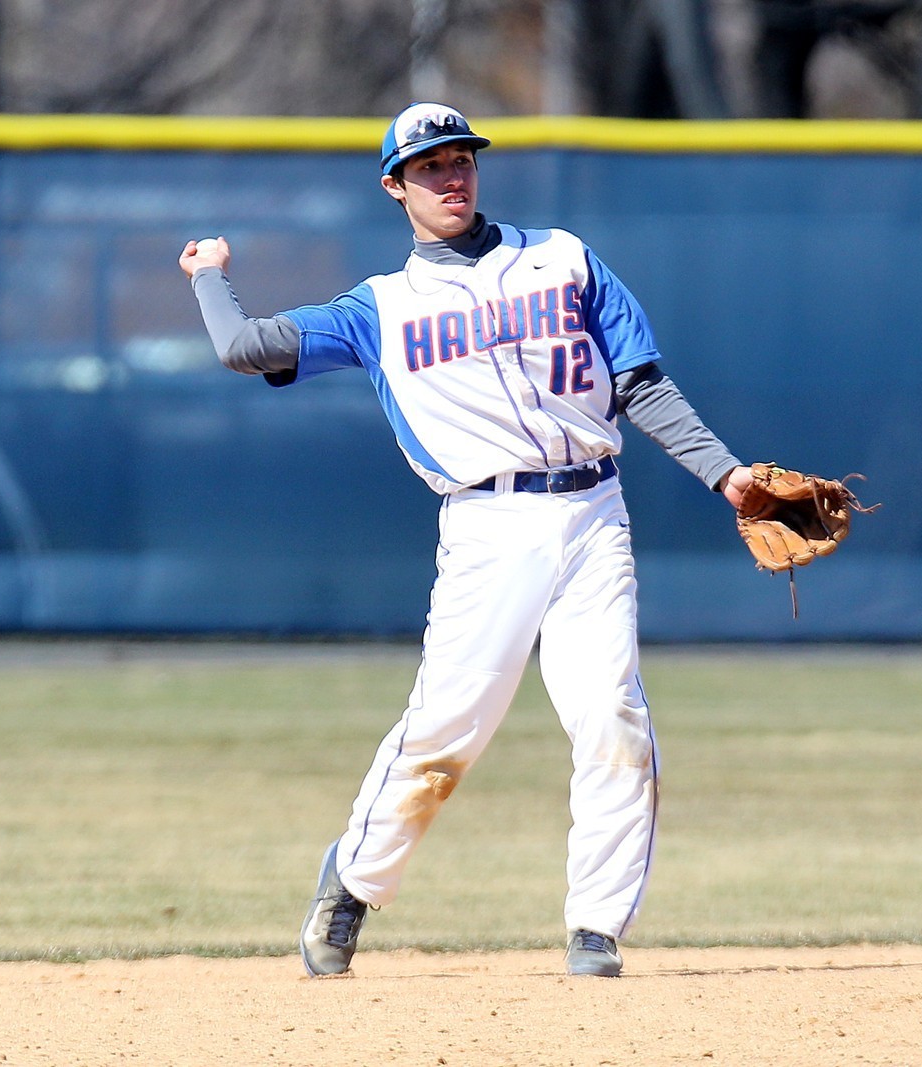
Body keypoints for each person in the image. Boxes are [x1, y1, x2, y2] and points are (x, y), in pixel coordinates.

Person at [180, 102, 759, 978]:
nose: (451, 177)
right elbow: (242, 346)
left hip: (594, 512)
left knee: (613, 715)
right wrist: (209, 276)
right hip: (487, 528)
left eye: (461, 160)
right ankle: (352, 883)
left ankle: (595, 927)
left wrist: (727, 473)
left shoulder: (562, 258)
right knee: (448, 729)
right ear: (395, 187)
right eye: (428, 166)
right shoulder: (381, 307)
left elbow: (642, 383)